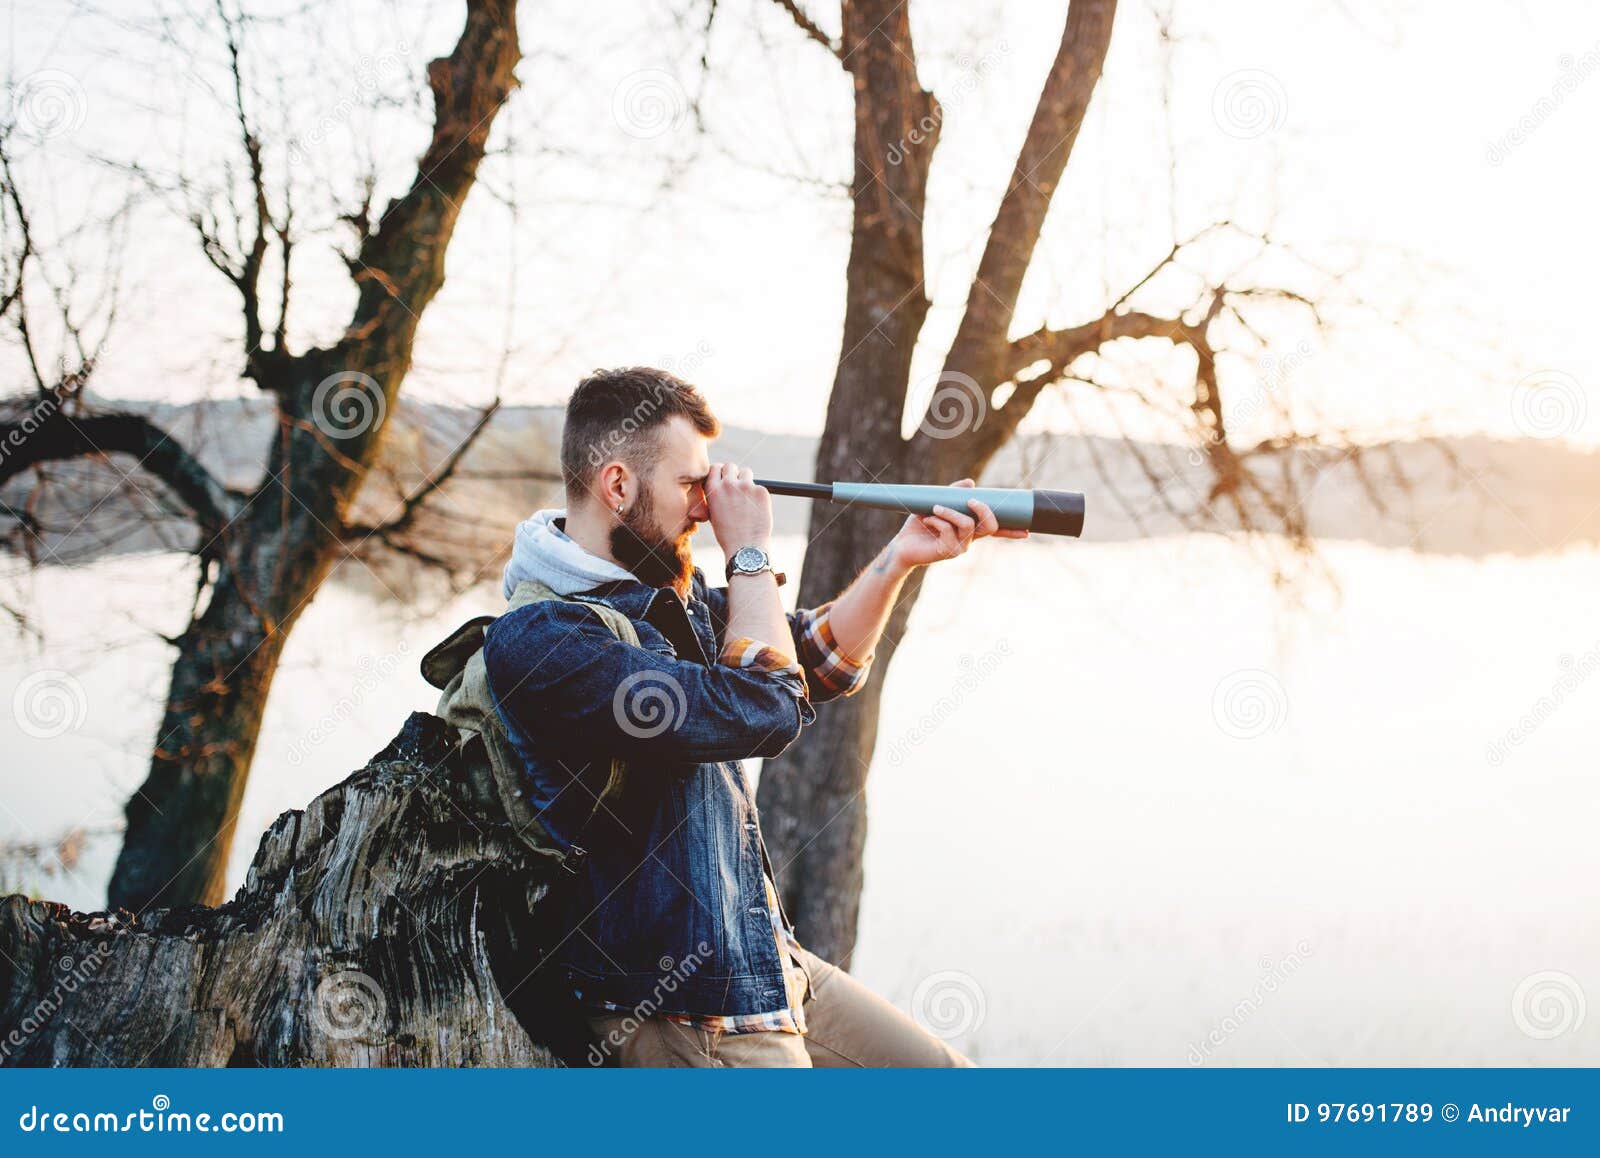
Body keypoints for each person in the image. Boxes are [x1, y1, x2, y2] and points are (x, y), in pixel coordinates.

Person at [484, 366, 1025, 1067]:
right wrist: (749, 552)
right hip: (680, 1002)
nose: (706, 508)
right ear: (617, 486)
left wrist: (899, 557)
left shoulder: (663, 603)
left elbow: (812, 659)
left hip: (765, 966)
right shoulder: (548, 642)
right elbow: (766, 708)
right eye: (689, 486)